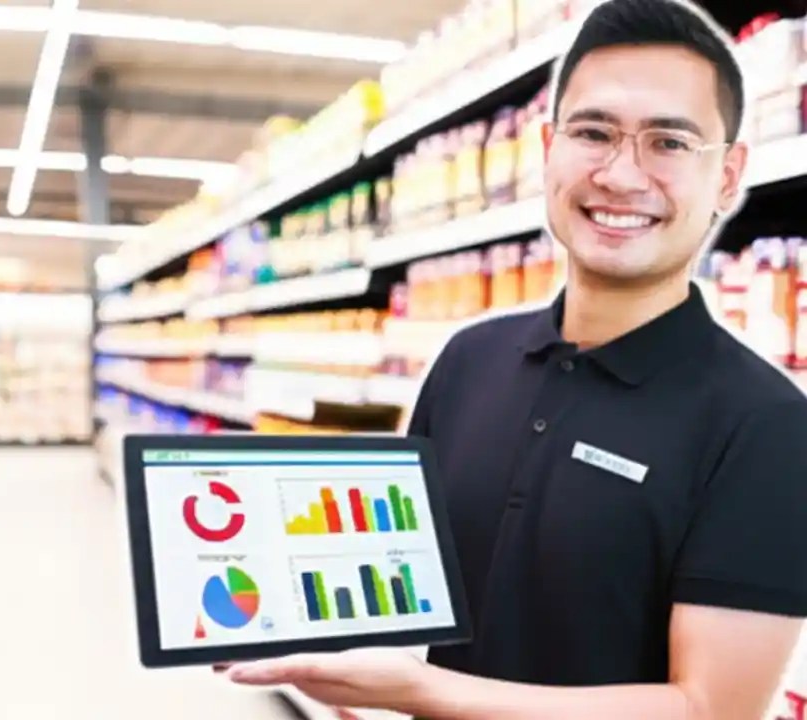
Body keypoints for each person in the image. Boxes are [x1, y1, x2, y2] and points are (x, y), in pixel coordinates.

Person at [223, 0, 807, 716]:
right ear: (547, 150)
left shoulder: (768, 426)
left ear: (727, 176)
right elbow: (402, 604)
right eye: (593, 133)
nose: (623, 174)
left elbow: (710, 709)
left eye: (669, 143)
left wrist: (422, 691)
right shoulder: (467, 361)